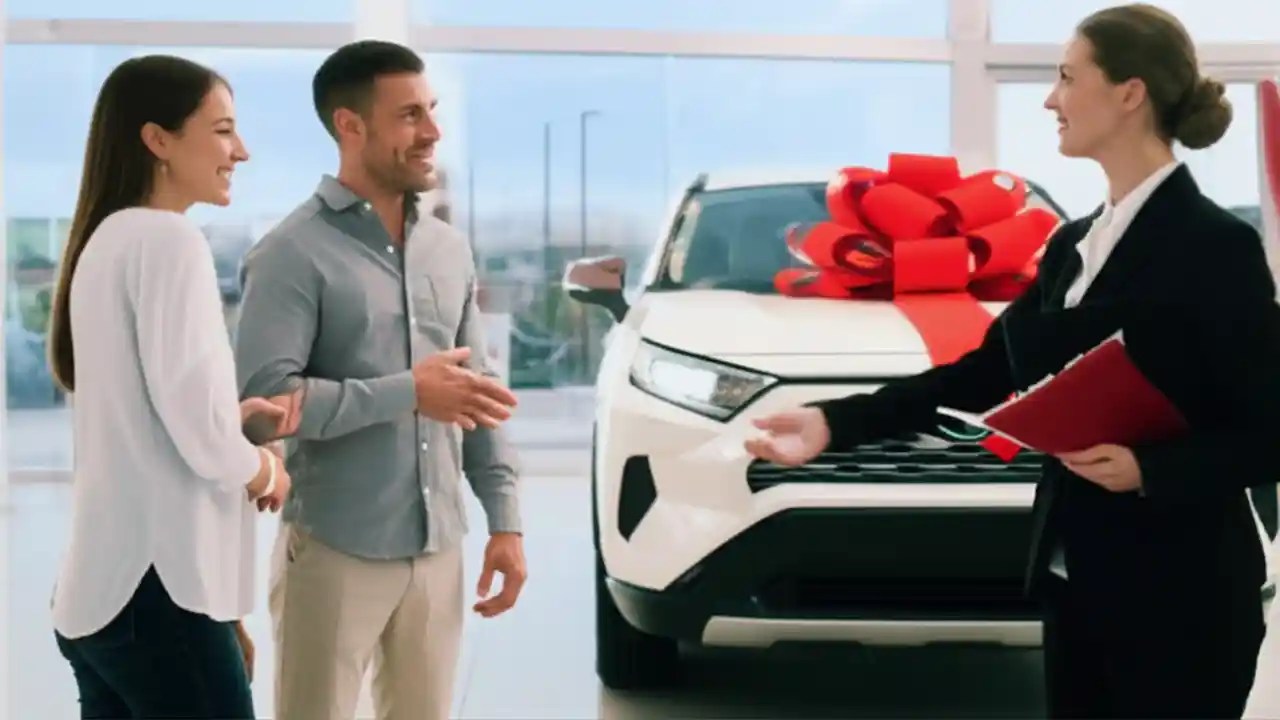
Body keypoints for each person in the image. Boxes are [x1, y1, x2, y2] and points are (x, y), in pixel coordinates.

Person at [746, 5, 1280, 718]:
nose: (1050, 100)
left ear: (1130, 93)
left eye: (1066, 77)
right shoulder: (1073, 247)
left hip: (1182, 601)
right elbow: (981, 373)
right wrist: (831, 423)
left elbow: (1270, 431)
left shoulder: (1217, 248)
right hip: (1075, 585)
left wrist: (1152, 469)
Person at [233, 40, 526, 720]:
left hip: (439, 549)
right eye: (409, 116)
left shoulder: (448, 249)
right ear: (349, 125)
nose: (432, 132)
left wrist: (505, 523)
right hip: (336, 549)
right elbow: (263, 409)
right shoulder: (289, 254)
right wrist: (407, 392)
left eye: (431, 111)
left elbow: (475, 393)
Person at [47, 54, 298, 719]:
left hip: (101, 598)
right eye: (221, 130)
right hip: (160, 595)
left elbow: (155, 409)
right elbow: (196, 431)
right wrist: (263, 469)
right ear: (157, 140)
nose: (240, 150)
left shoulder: (106, 241)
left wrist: (228, 418)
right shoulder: (168, 241)